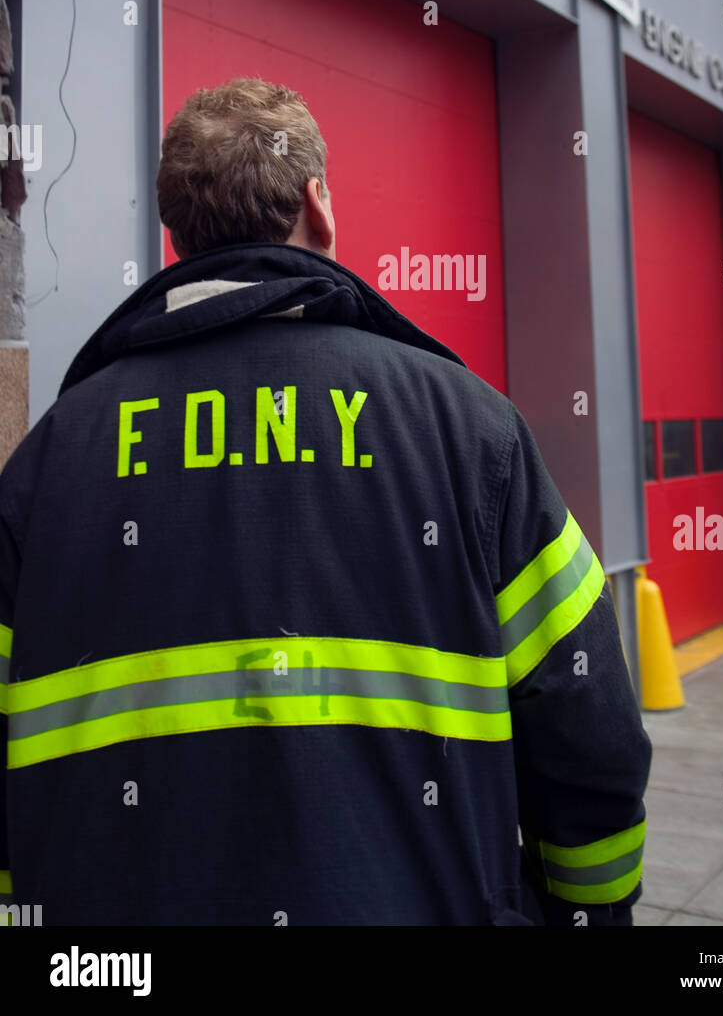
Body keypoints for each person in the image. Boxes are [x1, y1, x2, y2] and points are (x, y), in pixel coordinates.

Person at [0, 77, 651, 926]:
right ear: (318, 205)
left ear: (176, 239)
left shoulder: (52, 456)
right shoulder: (470, 430)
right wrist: (588, 912)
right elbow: (586, 720)